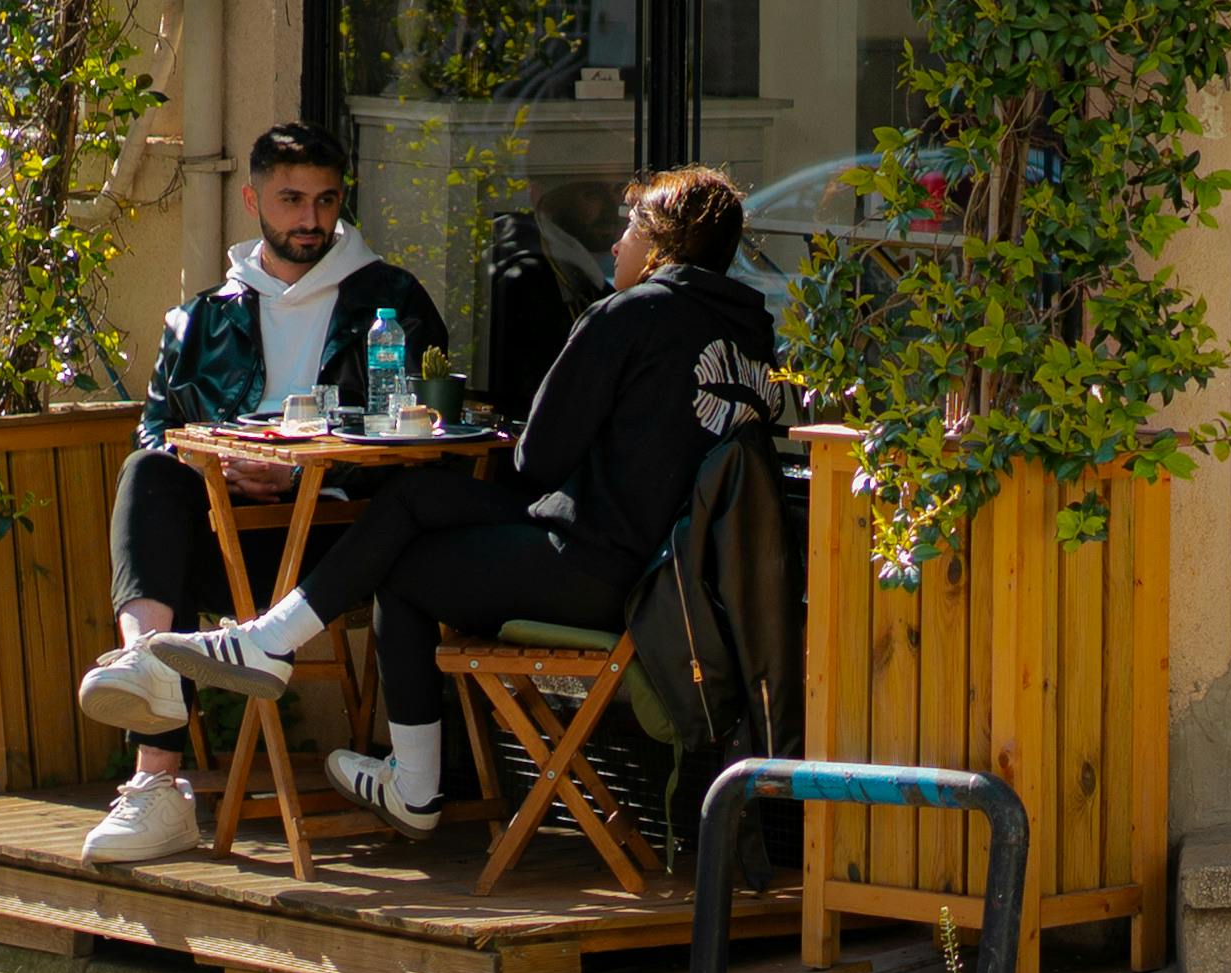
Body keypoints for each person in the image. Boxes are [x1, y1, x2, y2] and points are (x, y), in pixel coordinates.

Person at [148, 163, 784, 839]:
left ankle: (411, 785)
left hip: (602, 572)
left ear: (660, 244)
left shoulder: (632, 313)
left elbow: (539, 460)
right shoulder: (752, 334)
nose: (615, 246)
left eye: (629, 228)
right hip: (678, 584)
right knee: (418, 497)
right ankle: (272, 643)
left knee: (405, 565)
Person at [72, 121, 448, 864]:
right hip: (234, 537)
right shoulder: (205, 315)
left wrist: (311, 472)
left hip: (341, 549)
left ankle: (155, 760)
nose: (310, 220)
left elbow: (423, 438)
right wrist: (221, 467)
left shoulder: (392, 302)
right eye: (291, 200)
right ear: (253, 200)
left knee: (174, 520)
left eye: (325, 201)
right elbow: (155, 431)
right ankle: (150, 694)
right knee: (150, 476)